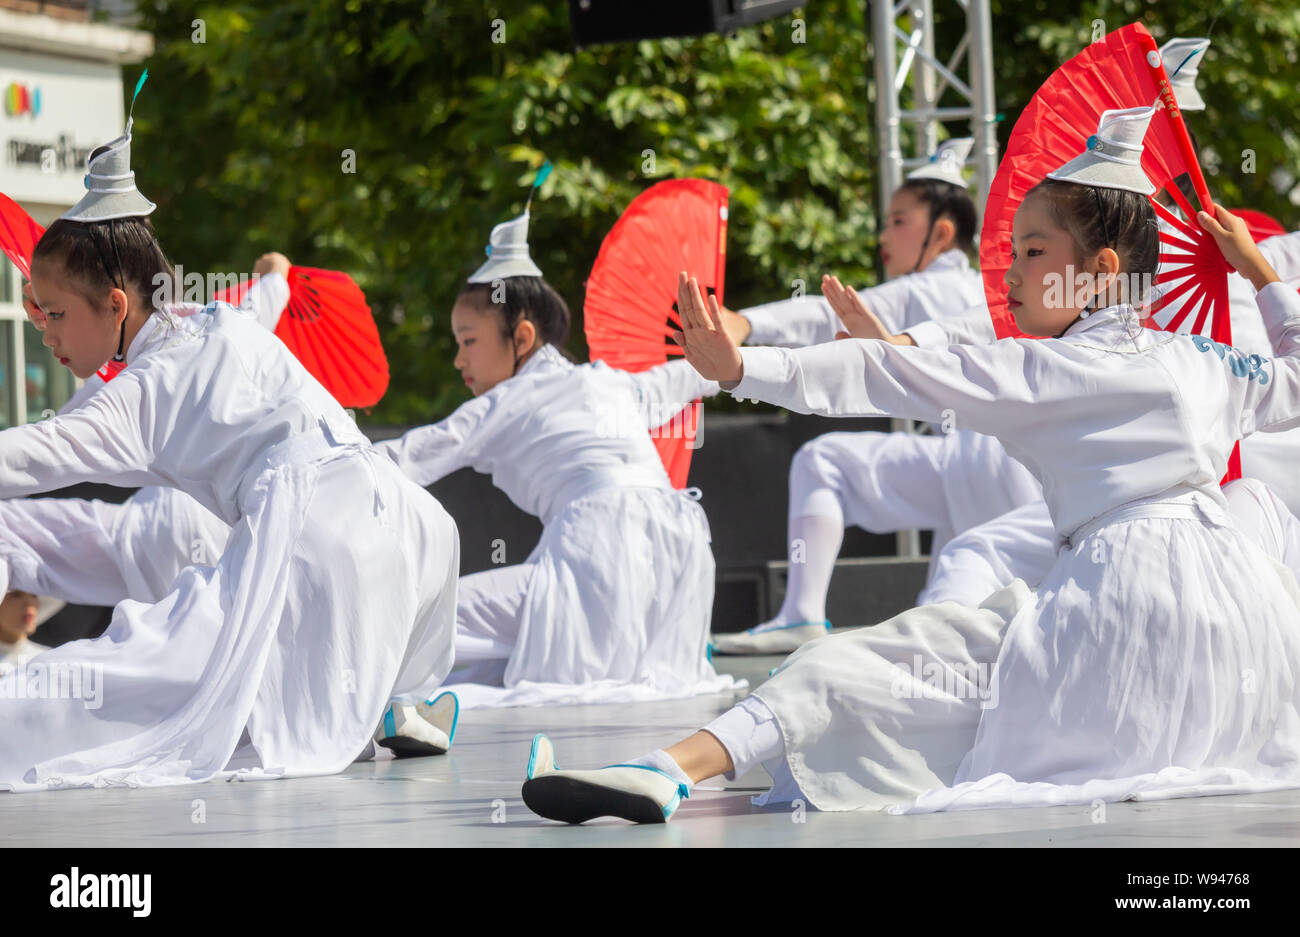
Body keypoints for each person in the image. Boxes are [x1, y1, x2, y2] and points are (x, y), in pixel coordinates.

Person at [520, 106, 1300, 822]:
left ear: (1096, 269)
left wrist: (739, 368)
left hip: (1115, 620)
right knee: (956, 654)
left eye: (1033, 252)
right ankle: (694, 763)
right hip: (1246, 645)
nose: (1016, 273)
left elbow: (884, 376)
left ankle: (667, 765)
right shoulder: (1205, 361)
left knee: (892, 655)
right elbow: (1295, 378)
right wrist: (1262, 273)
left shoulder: (1047, 371)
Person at [0, 112, 460, 792]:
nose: (47, 335)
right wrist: (274, 272)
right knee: (229, 684)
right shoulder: (221, 320)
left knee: (131, 676)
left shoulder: (145, 388)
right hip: (412, 530)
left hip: (310, 537)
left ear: (118, 303)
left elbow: (39, 451)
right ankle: (376, 701)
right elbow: (266, 293)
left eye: (56, 314)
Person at [375, 210, 739, 707]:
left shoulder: (503, 403)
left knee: (410, 618)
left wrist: (311, 457)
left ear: (521, 338)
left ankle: (365, 701)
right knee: (487, 666)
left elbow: (406, 458)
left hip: (601, 553)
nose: (459, 360)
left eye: (468, 341)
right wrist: (742, 328)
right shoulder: (613, 381)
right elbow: (703, 373)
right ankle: (411, 705)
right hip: (681, 558)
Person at [708, 140, 1040, 654]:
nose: (883, 236)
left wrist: (747, 323)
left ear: (943, 232)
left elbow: (827, 313)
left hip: (983, 462)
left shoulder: (931, 290)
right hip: (997, 464)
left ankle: (804, 617)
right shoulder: (992, 291)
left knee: (963, 620)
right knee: (829, 465)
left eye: (898, 221)